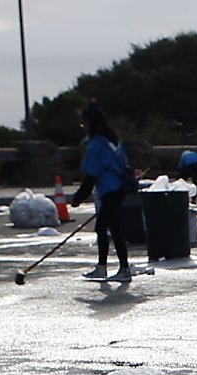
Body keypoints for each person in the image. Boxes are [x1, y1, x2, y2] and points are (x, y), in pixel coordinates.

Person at [69, 101, 135, 282]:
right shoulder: (112, 140)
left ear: (90, 122)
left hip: (110, 190)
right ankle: (108, 267)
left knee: (105, 228)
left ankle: (117, 268)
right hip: (118, 188)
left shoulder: (96, 145)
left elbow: (90, 176)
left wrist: (78, 198)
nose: (84, 127)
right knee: (112, 227)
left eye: (84, 123)